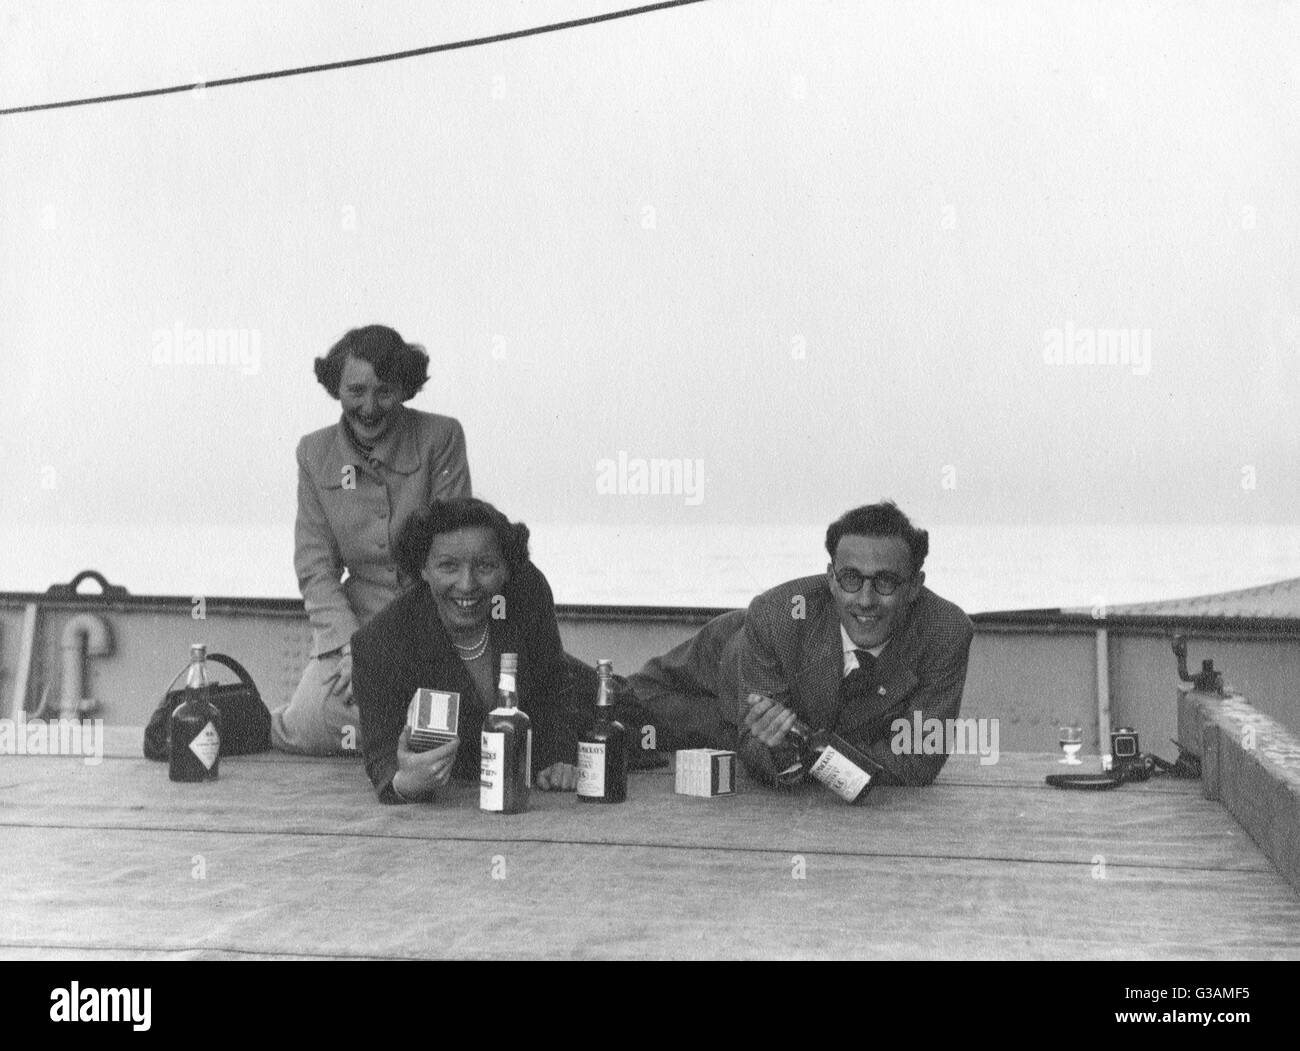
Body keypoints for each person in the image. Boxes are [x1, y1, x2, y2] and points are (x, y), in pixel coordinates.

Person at [627, 501, 974, 786]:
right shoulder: (775, 616)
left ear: (914, 586)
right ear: (831, 580)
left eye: (885, 582)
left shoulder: (946, 631)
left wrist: (793, 749)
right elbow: (757, 740)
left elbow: (918, 762)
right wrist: (788, 747)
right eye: (851, 578)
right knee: (621, 705)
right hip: (727, 655)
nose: (865, 600)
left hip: (734, 722)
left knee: (698, 736)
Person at [271, 325, 471, 756]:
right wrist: (352, 649)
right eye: (355, 390)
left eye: (384, 391)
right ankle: (410, 732)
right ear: (335, 388)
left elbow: (453, 557)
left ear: (405, 388)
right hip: (355, 623)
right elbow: (315, 569)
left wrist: (388, 656)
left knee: (449, 711)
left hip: (432, 619)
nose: (368, 407)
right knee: (307, 723)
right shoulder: (313, 453)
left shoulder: (442, 437)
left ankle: (411, 731)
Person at [351, 497, 579, 803]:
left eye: (485, 566)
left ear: (507, 568)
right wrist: (407, 781)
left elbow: (556, 684)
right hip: (470, 788)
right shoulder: (380, 643)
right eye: (448, 566)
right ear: (423, 569)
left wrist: (560, 756)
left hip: (586, 701)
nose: (467, 584)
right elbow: (384, 760)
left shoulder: (527, 591)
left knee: (638, 716)